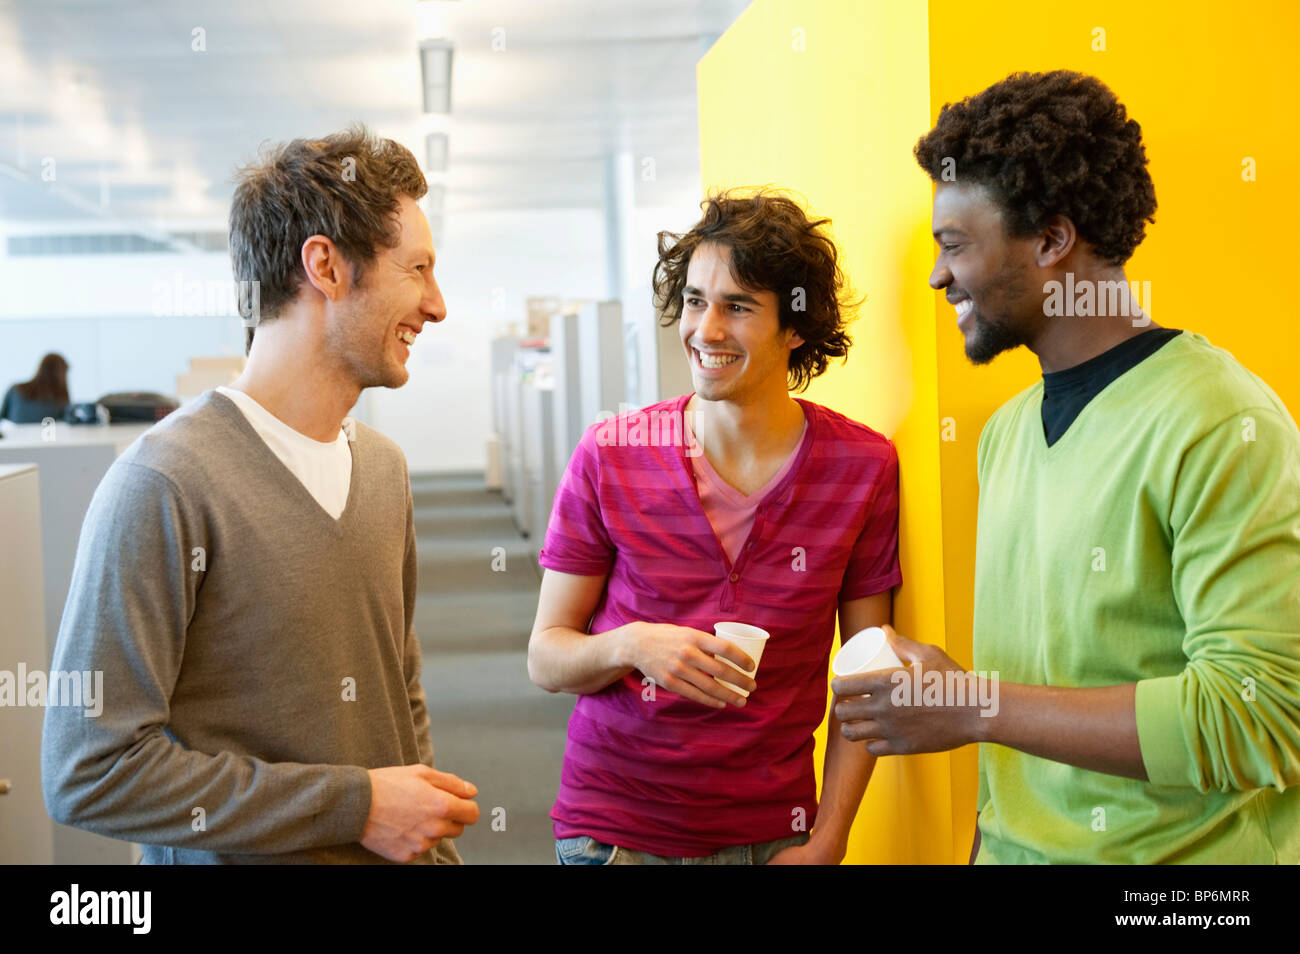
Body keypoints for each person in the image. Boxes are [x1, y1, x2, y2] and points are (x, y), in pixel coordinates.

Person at [833, 70, 1300, 863]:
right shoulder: (1008, 432)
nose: (938, 276)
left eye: (954, 245)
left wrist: (971, 706)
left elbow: (1257, 720)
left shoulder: (1222, 421)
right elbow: (1036, 694)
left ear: (1051, 240)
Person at [42, 125, 479, 864]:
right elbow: (90, 768)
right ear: (326, 266)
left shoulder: (384, 470)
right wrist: (356, 806)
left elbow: (397, 691)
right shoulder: (164, 483)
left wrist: (425, 840)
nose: (437, 305)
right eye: (418, 269)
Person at [528, 190, 902, 865]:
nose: (706, 330)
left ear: (794, 328)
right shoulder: (612, 453)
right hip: (615, 833)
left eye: (738, 307)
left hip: (772, 833)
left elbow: (866, 673)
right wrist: (635, 645)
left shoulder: (862, 468)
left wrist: (830, 839)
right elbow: (546, 656)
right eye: (696, 300)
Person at [1, 352, 70, 423]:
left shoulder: (16, 389)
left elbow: (2, 415)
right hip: (43, 433)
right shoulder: (60, 399)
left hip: (16, 433)